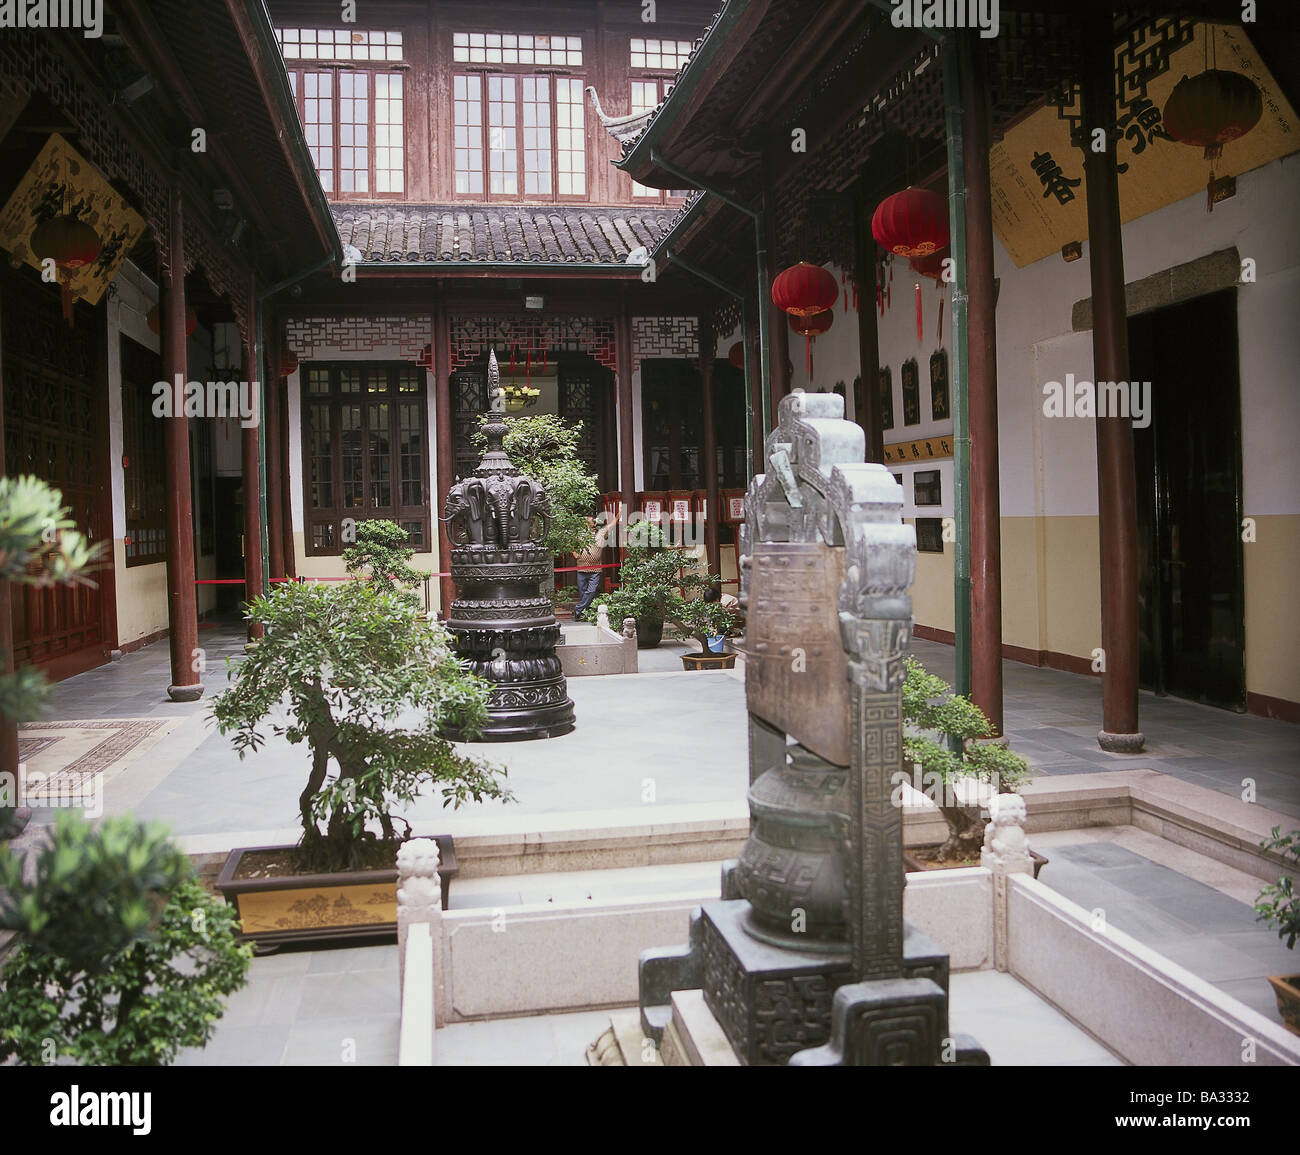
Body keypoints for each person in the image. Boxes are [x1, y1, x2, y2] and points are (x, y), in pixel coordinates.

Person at [572, 513, 613, 620]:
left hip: (595, 569)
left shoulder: (600, 534)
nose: (588, 523)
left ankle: (578, 609)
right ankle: (584, 613)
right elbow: (571, 543)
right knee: (583, 592)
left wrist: (620, 513)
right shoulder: (580, 534)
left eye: (589, 521)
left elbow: (612, 524)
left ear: (594, 523)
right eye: (586, 522)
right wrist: (574, 553)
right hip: (581, 568)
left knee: (591, 591)